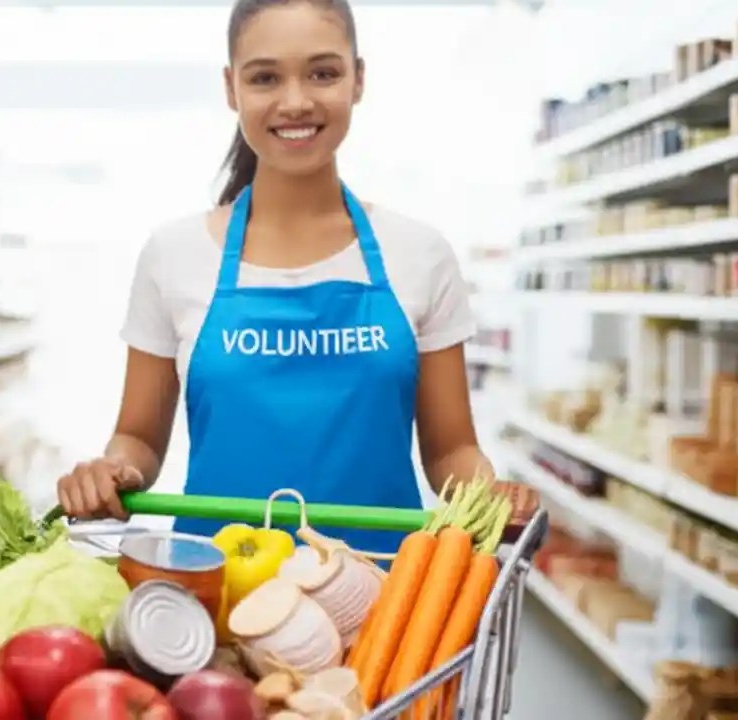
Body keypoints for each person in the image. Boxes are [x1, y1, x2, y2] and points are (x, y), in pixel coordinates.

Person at [55, 0, 494, 556]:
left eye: (323, 73)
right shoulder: (175, 254)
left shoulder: (420, 253)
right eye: (265, 78)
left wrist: (494, 493)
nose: (296, 101)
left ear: (358, 79)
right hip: (218, 606)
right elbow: (139, 437)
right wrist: (111, 472)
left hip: (391, 603)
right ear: (231, 88)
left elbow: (451, 450)